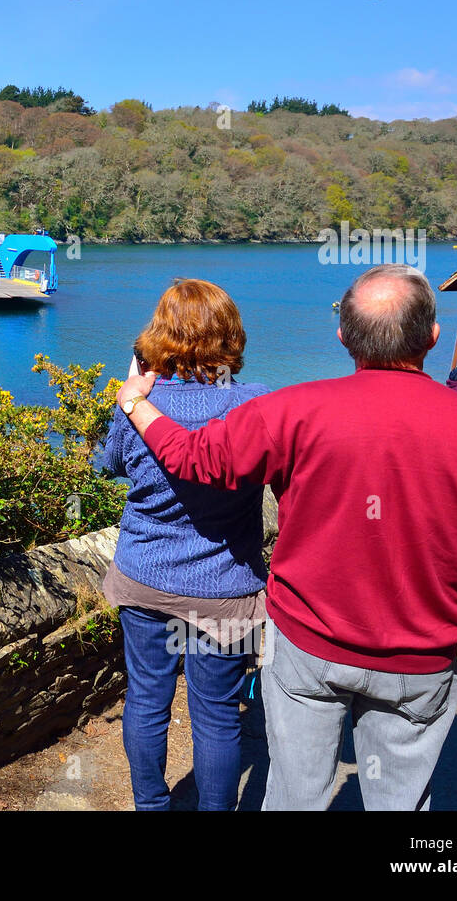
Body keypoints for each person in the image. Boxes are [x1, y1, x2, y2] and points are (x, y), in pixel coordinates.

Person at [113, 264, 457, 810]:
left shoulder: (292, 411)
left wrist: (134, 401)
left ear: (343, 335)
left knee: (296, 794)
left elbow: (196, 460)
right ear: (434, 338)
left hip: (306, 646)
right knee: (399, 800)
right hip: (418, 658)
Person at [100, 279, 268, 811]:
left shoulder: (139, 405)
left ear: (159, 335)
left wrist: (132, 388)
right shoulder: (256, 405)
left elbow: (107, 466)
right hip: (224, 585)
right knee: (217, 714)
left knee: (146, 698)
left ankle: (151, 804)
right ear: (230, 337)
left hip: (145, 577)